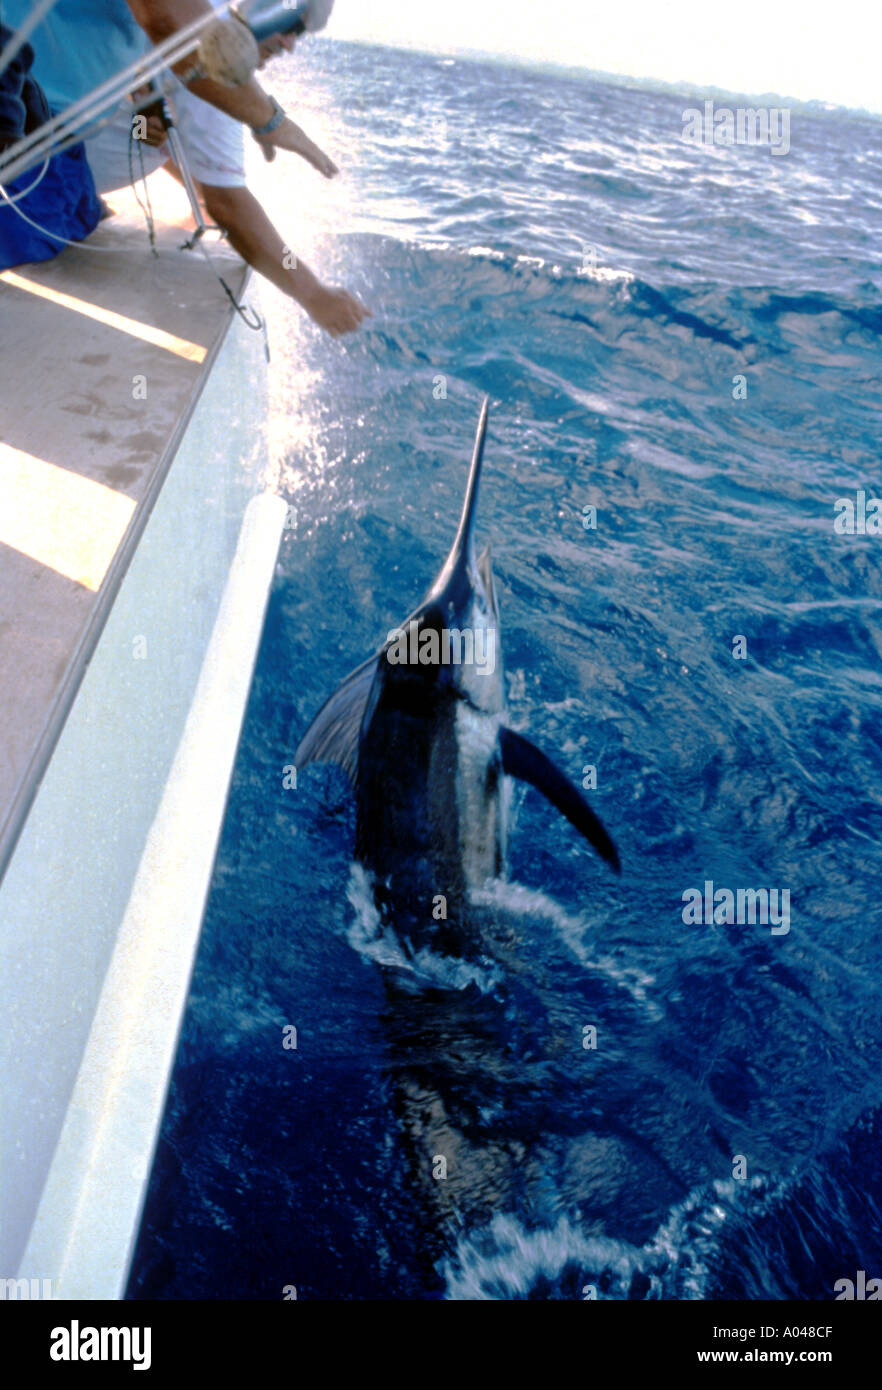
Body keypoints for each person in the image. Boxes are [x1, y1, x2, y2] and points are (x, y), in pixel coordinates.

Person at [3, 0, 370, 335]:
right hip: (36, 152)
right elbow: (230, 206)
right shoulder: (209, 63)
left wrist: (147, 120)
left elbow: (154, 136)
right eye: (293, 26)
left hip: (47, 126)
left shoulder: (185, 35)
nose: (291, 45)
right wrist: (311, 292)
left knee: (100, 189)